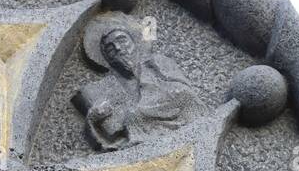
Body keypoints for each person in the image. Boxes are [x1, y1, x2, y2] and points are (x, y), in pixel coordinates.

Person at [75, 22, 203, 150]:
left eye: (122, 40)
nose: (118, 48)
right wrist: (93, 120)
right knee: (133, 117)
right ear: (108, 60)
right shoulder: (110, 88)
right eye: (110, 49)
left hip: (182, 118)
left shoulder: (158, 62)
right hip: (147, 146)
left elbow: (184, 90)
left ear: (135, 43)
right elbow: (113, 140)